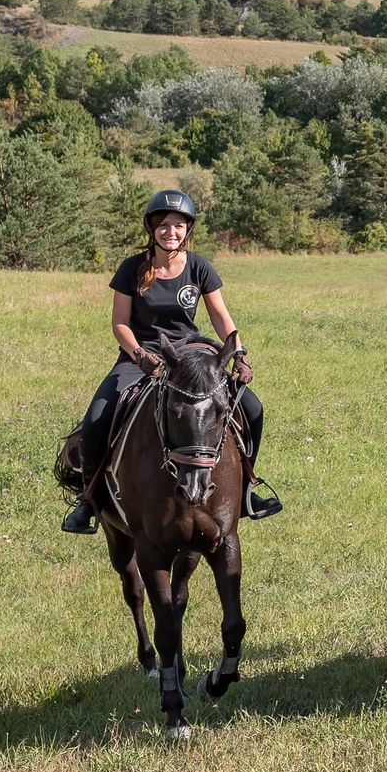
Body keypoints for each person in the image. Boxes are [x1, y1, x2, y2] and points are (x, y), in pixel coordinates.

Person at [60, 189, 280, 534]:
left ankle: (248, 488)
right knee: (98, 414)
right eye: (163, 226)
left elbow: (221, 316)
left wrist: (238, 352)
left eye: (178, 226)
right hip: (141, 355)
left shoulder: (199, 267)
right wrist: (140, 355)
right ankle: (88, 499)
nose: (170, 232)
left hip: (192, 357)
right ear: (152, 229)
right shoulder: (132, 268)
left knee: (252, 408)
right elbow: (120, 323)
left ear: (188, 230)